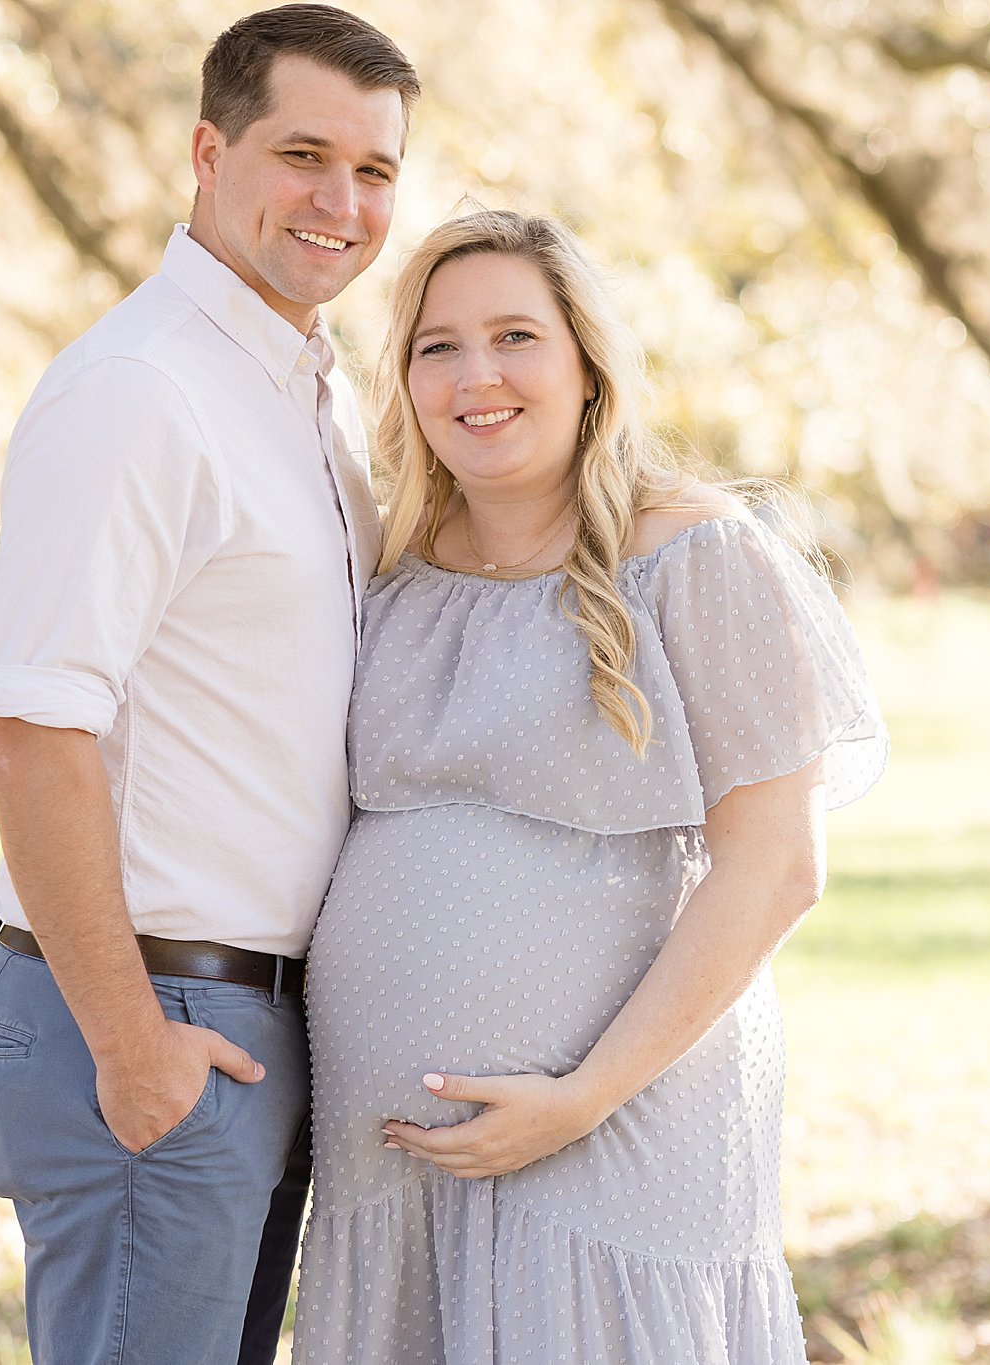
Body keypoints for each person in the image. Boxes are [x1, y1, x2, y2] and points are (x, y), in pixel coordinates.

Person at [290, 209, 889, 1363]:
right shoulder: (389, 568)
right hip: (390, 1168)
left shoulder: (696, 553)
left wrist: (584, 1095)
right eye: (437, 347)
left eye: (515, 337)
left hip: (622, 1119)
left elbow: (776, 866)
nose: (477, 376)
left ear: (586, 362)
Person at [0, 8, 416, 1363]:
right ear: (209, 155)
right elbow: (31, 727)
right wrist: (131, 1042)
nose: (340, 203)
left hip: (249, 1020)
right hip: (149, 1009)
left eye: (375, 171)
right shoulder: (140, 390)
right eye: (303, 156)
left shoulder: (305, 393)